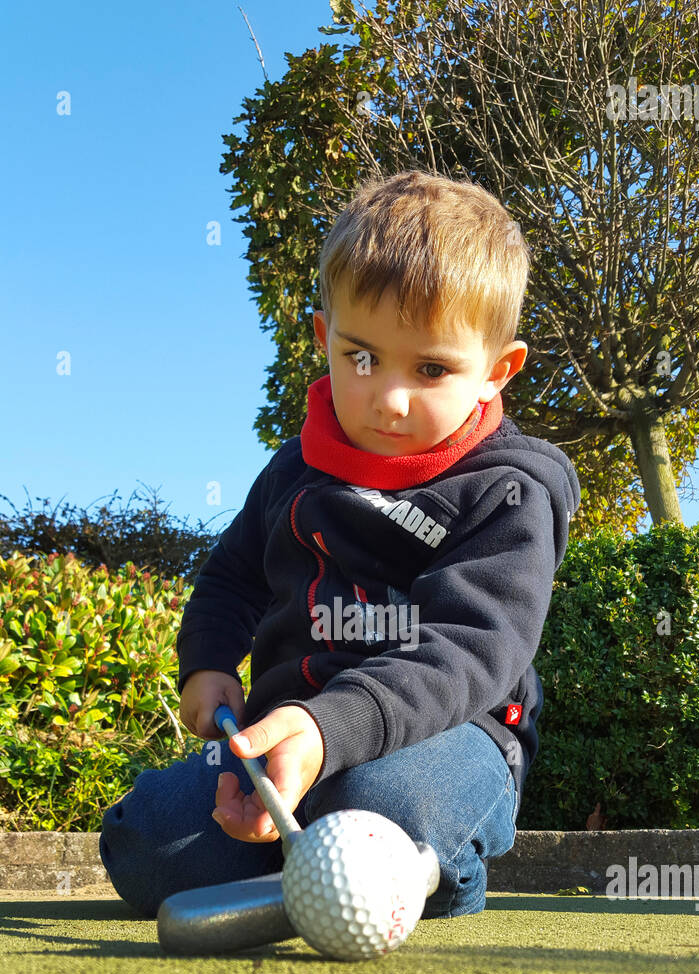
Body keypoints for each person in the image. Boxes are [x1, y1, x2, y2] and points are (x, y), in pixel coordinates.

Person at [99, 168, 580, 922]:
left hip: (448, 737)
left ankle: (442, 870)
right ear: (324, 338)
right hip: (286, 736)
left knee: (377, 807)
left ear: (496, 371)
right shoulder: (295, 469)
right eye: (362, 356)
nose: (389, 398)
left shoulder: (511, 487)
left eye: (431, 369)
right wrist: (208, 663)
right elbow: (231, 579)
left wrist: (331, 730)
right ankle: (300, 851)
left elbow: (470, 648)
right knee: (147, 839)